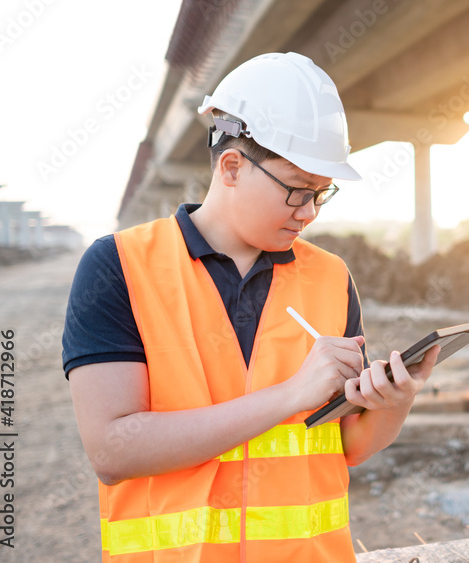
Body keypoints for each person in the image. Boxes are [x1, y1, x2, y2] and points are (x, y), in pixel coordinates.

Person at [62, 52, 439, 562]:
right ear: (233, 167)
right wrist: (290, 395)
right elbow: (112, 450)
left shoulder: (330, 277)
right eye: (297, 191)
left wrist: (393, 404)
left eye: (321, 195)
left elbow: (349, 445)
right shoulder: (120, 266)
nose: (307, 213)